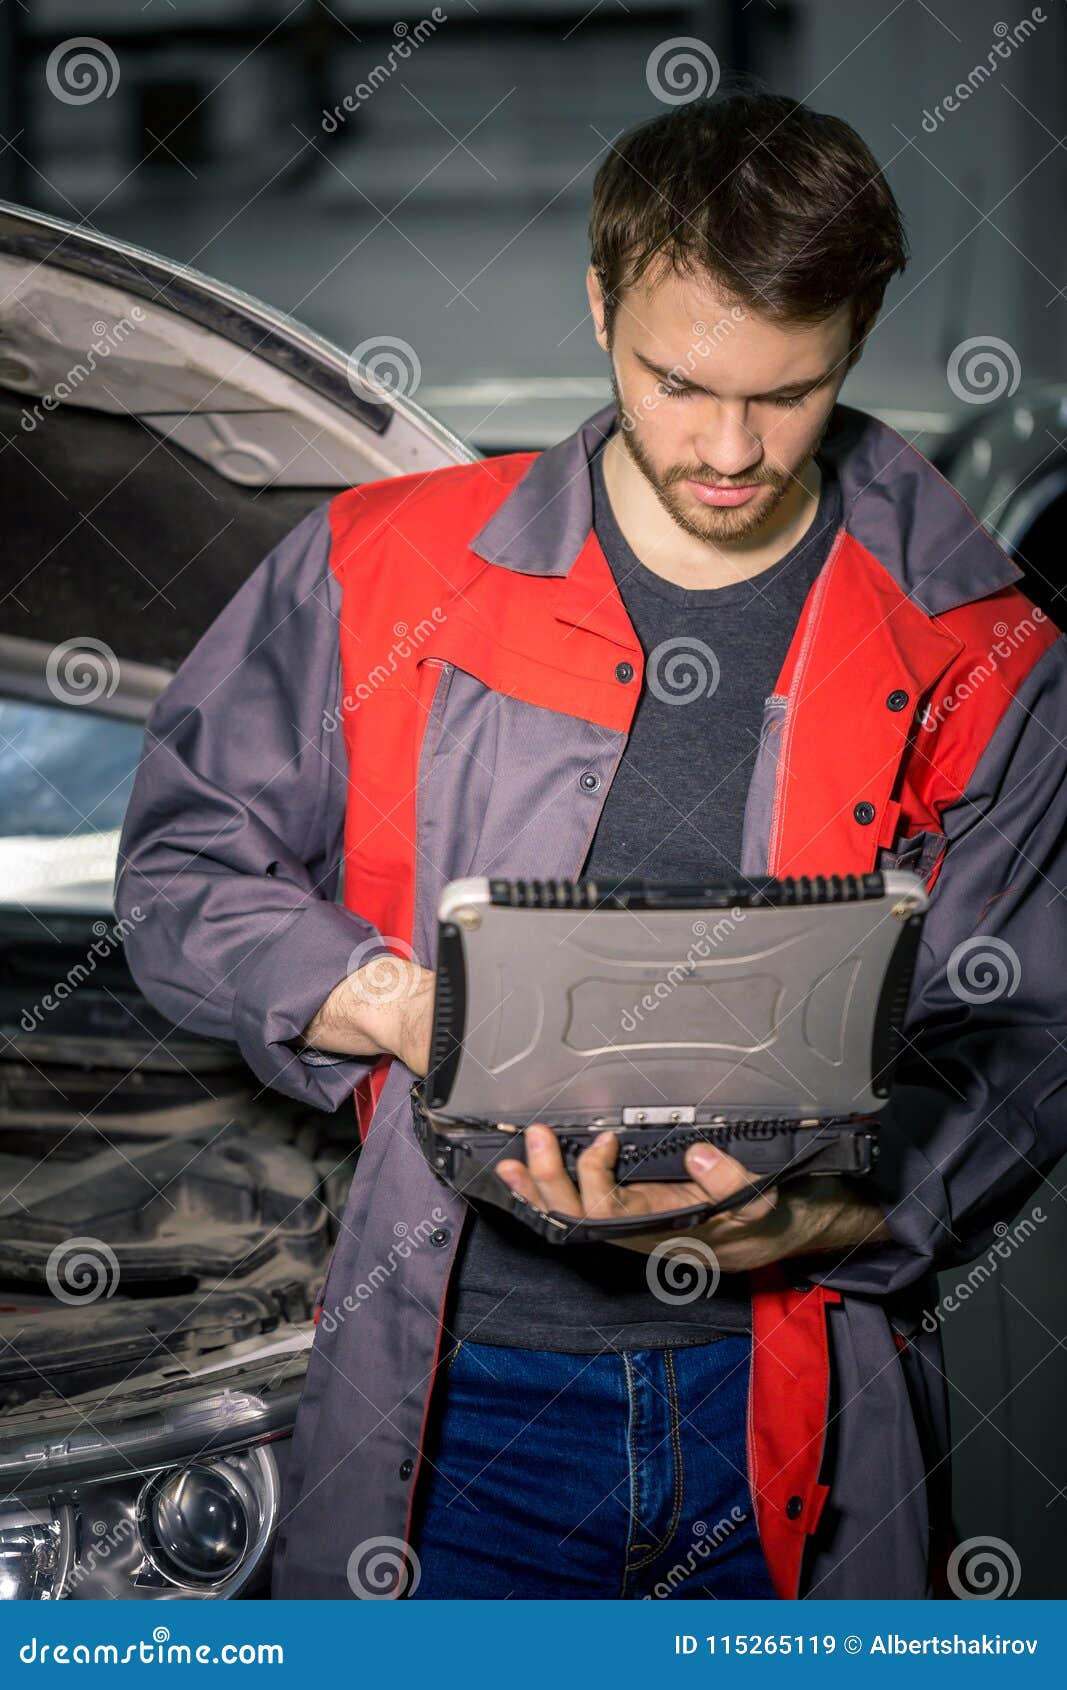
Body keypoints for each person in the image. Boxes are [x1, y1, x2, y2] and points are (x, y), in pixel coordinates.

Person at [115, 88, 1067, 1600]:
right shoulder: (389, 572)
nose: (735, 449)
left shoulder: (976, 647)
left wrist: (822, 1216)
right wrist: (409, 1009)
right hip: (457, 1407)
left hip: (788, 1413)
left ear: (859, 339)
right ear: (598, 301)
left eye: (793, 391)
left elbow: (1026, 1028)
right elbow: (180, 875)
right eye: (679, 383)